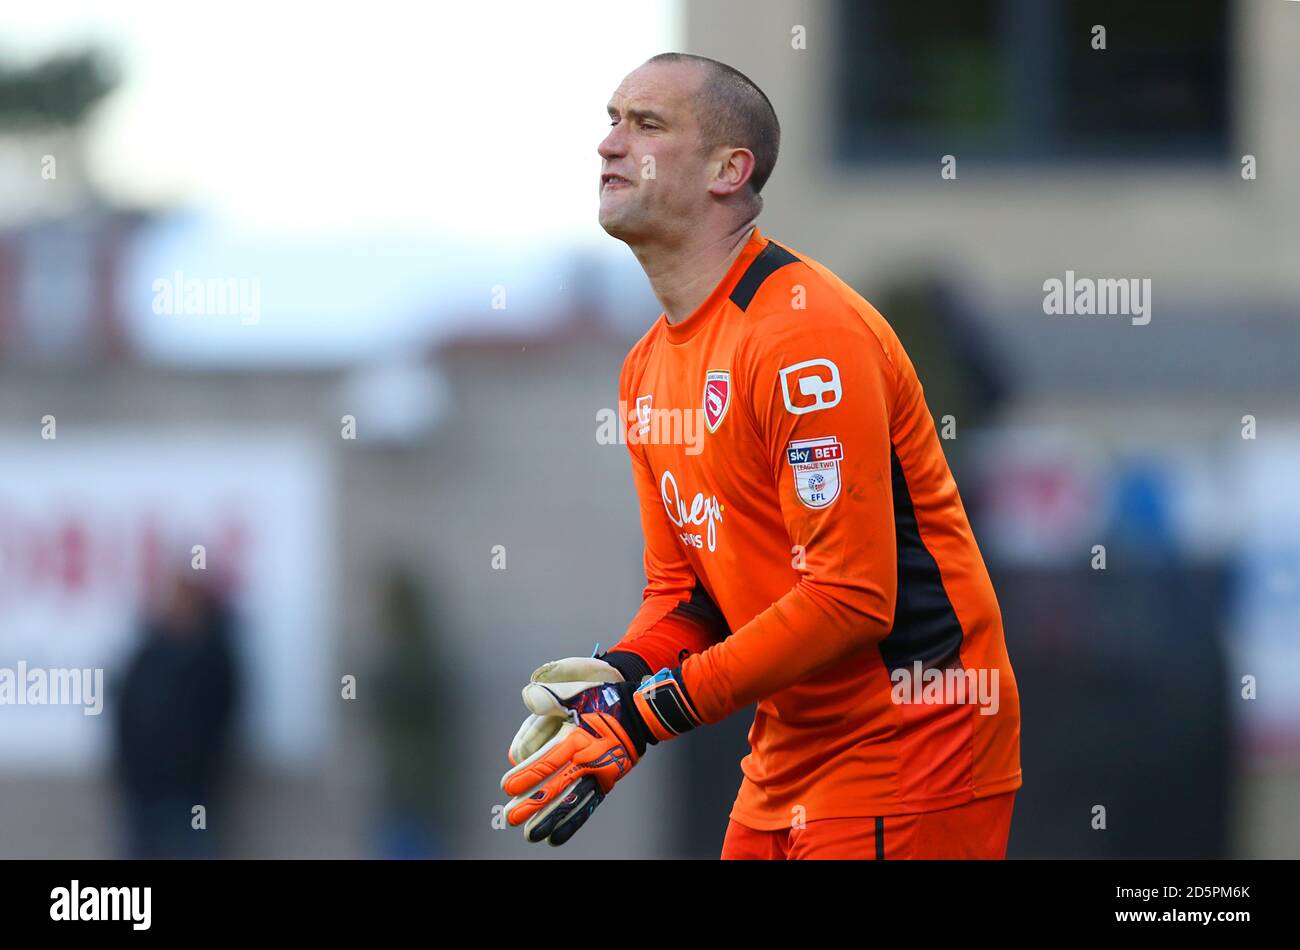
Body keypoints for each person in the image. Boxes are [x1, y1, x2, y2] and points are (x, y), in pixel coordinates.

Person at [501, 53, 1021, 859]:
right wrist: (622, 681)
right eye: (610, 120)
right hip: (786, 760)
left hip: (913, 751)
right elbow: (688, 596)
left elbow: (851, 599)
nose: (608, 144)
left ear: (728, 169)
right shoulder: (644, 368)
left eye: (645, 124)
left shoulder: (803, 335)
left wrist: (650, 716)